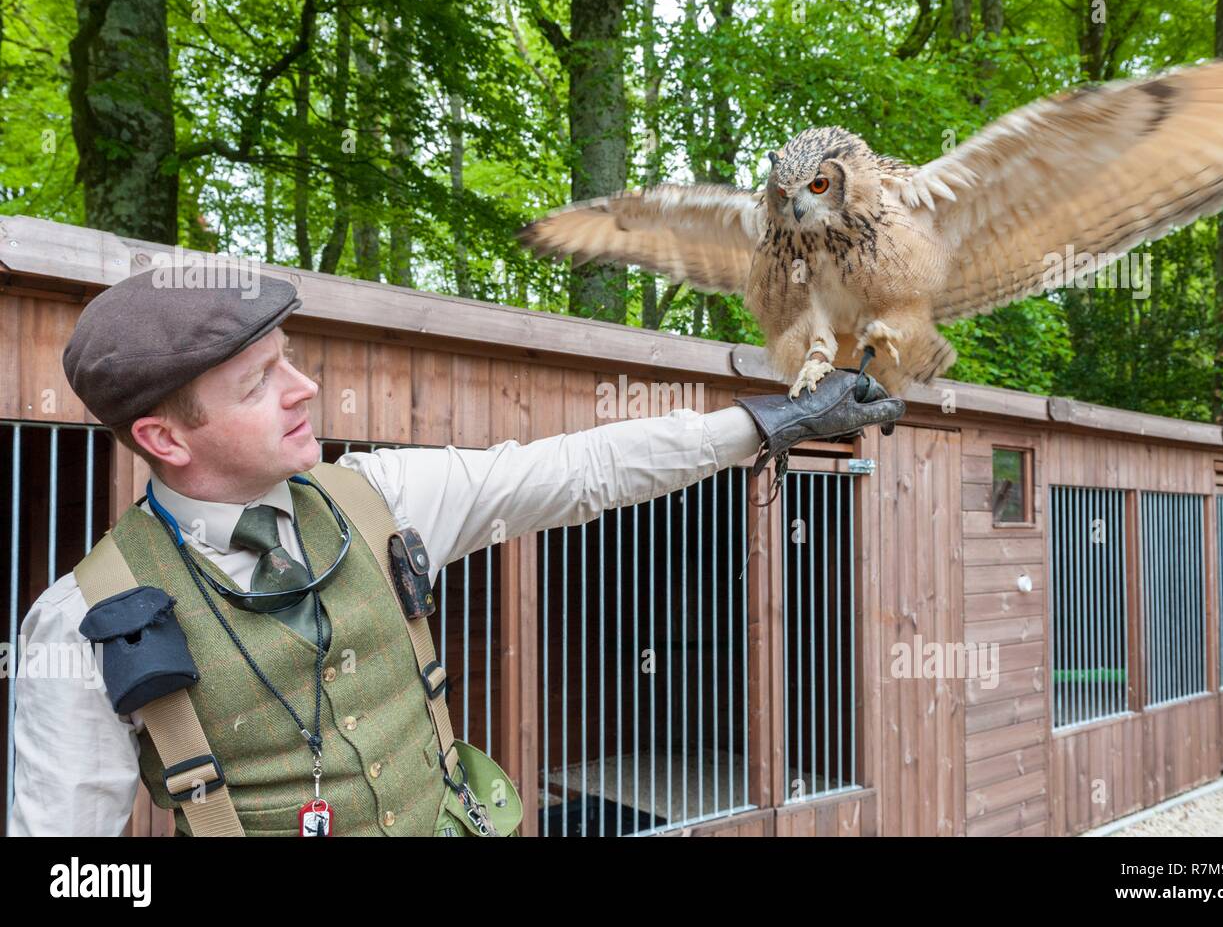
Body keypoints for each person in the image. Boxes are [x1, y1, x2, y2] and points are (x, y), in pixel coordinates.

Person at [7, 267, 902, 836]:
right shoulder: (81, 622)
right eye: (258, 382)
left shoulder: (378, 497)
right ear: (165, 437)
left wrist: (763, 423)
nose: (303, 387)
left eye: (288, 358)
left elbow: (577, 468)